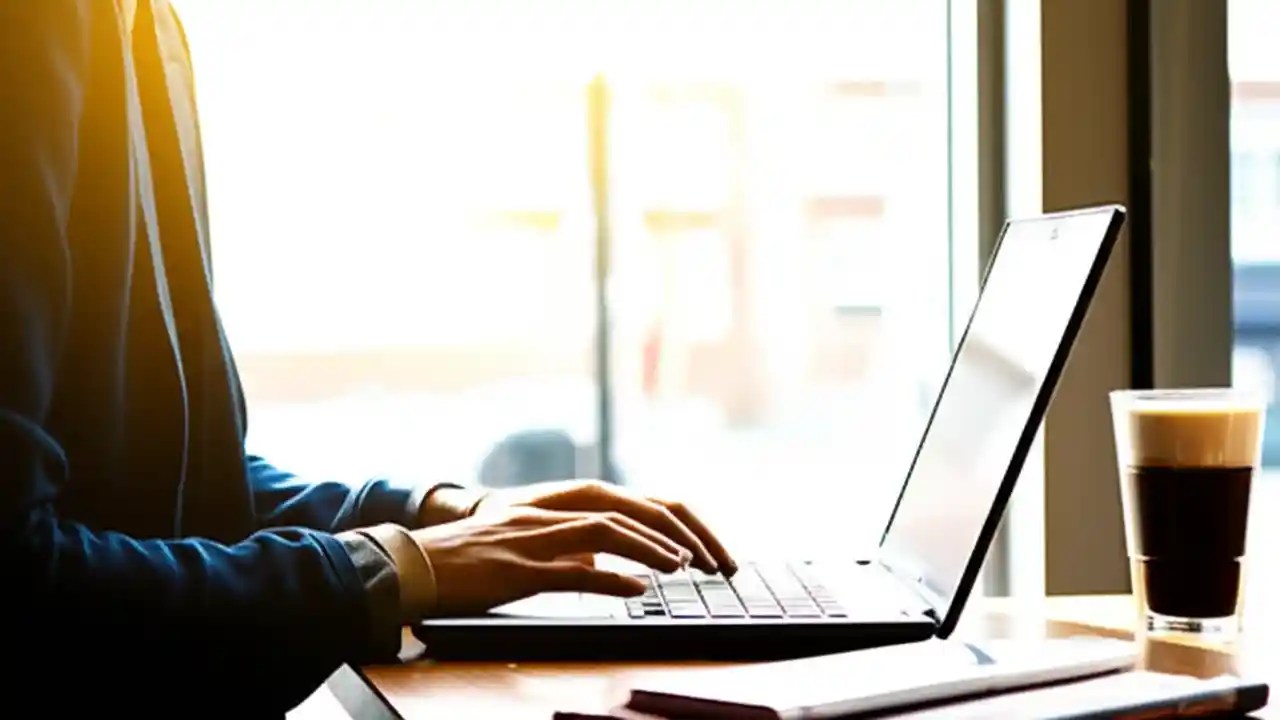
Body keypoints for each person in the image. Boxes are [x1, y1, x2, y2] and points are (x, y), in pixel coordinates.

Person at [0, 2, 735, 714]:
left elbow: (179, 484)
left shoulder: (147, 27)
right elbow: (21, 574)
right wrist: (398, 568)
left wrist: (443, 516)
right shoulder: (31, 29)